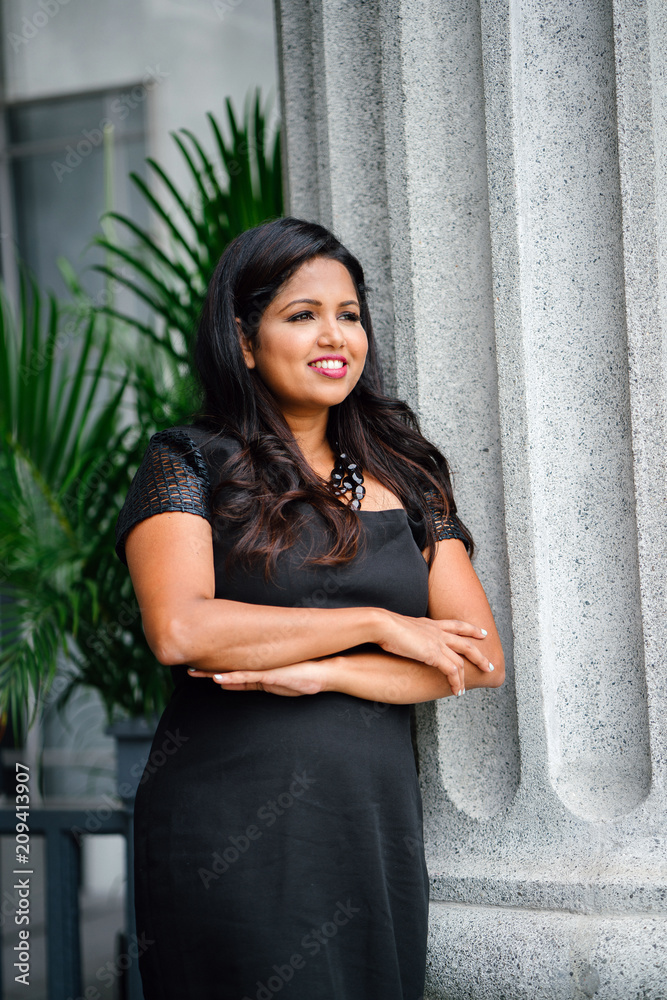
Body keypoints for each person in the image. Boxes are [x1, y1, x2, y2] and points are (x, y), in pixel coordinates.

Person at [115, 216, 504, 1000]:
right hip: (227, 820)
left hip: (368, 823)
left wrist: (326, 670)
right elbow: (181, 628)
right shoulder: (188, 460)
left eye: (348, 314)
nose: (334, 335)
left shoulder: (406, 473)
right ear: (244, 339)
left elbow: (476, 659)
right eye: (301, 314)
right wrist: (377, 626)